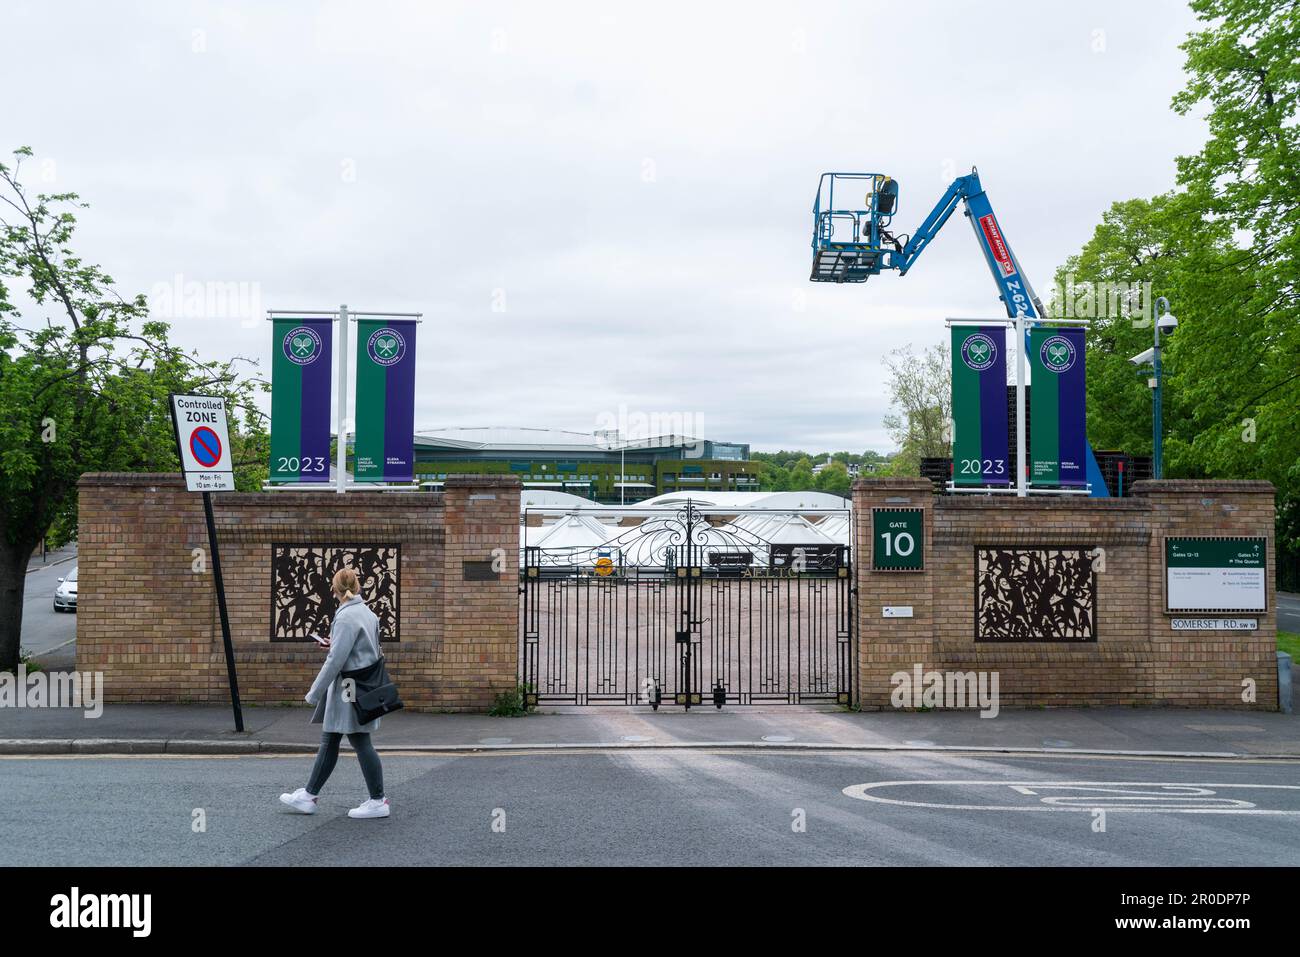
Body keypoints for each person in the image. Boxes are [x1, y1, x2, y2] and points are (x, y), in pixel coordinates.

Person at [279, 567, 390, 819]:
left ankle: (378, 800)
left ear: (335, 589)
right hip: (361, 686)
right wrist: (334, 642)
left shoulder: (345, 617)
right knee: (331, 739)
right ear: (358, 586)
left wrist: (314, 692)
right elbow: (366, 649)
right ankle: (309, 795)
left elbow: (335, 661)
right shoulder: (368, 614)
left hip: (348, 689)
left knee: (359, 740)